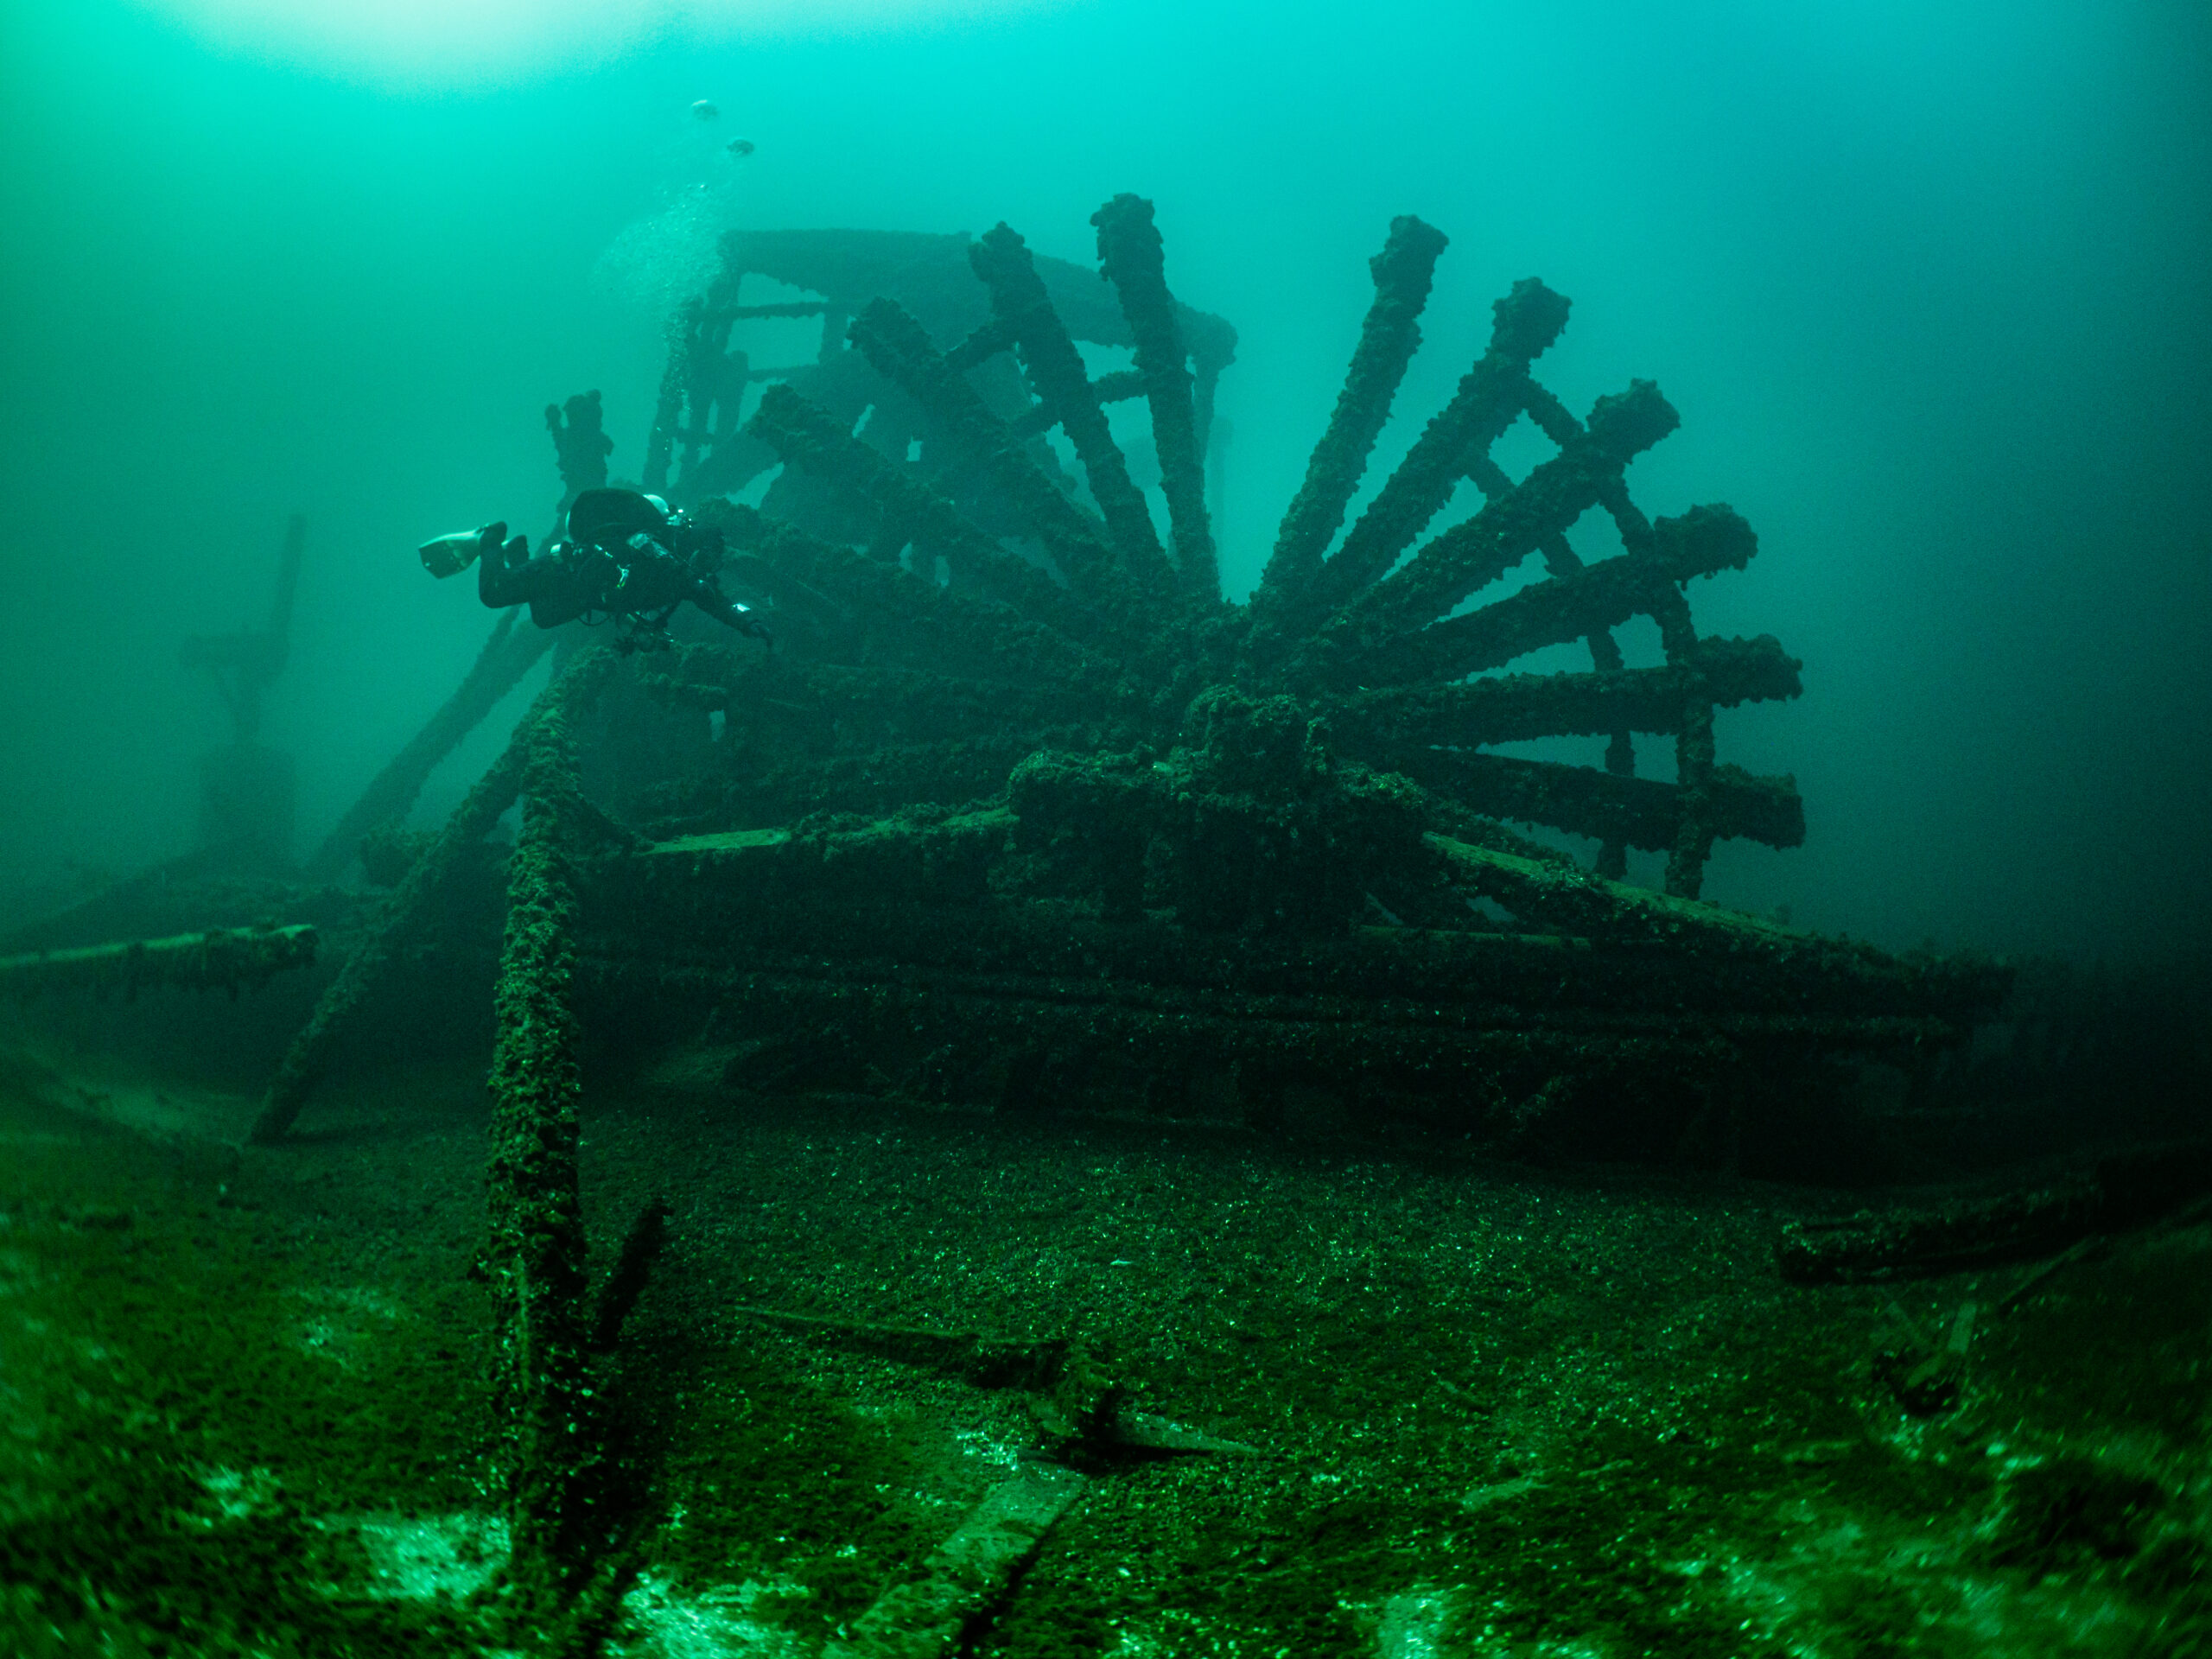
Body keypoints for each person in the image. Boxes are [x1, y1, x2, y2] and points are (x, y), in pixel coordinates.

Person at [422, 487, 769, 654]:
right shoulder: (666, 558)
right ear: (690, 547)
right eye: (706, 558)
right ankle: (490, 537)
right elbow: (700, 589)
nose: (709, 568)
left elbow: (715, 600)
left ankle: (517, 553)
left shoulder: (684, 575)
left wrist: (744, 622)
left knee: (543, 617)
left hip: (589, 592)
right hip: (570, 568)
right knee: (494, 593)